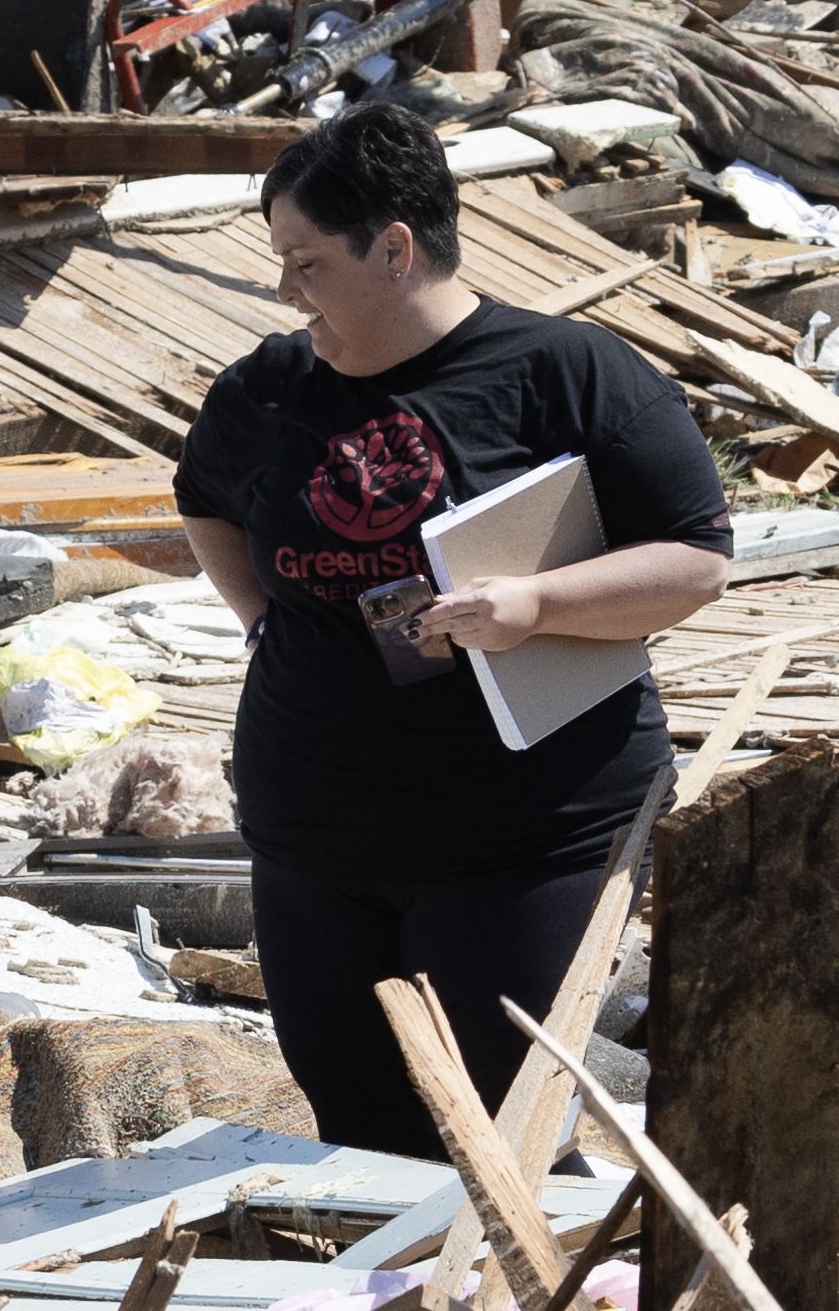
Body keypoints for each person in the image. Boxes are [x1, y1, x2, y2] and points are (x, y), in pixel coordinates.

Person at [178, 98, 734, 1158]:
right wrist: (265, 618)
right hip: (316, 842)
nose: (286, 290)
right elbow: (204, 499)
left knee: (494, 1140)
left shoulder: (565, 374)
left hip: (525, 839)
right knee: (363, 1140)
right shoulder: (270, 391)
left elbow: (696, 560)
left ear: (394, 249)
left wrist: (535, 606)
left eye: (305, 264)